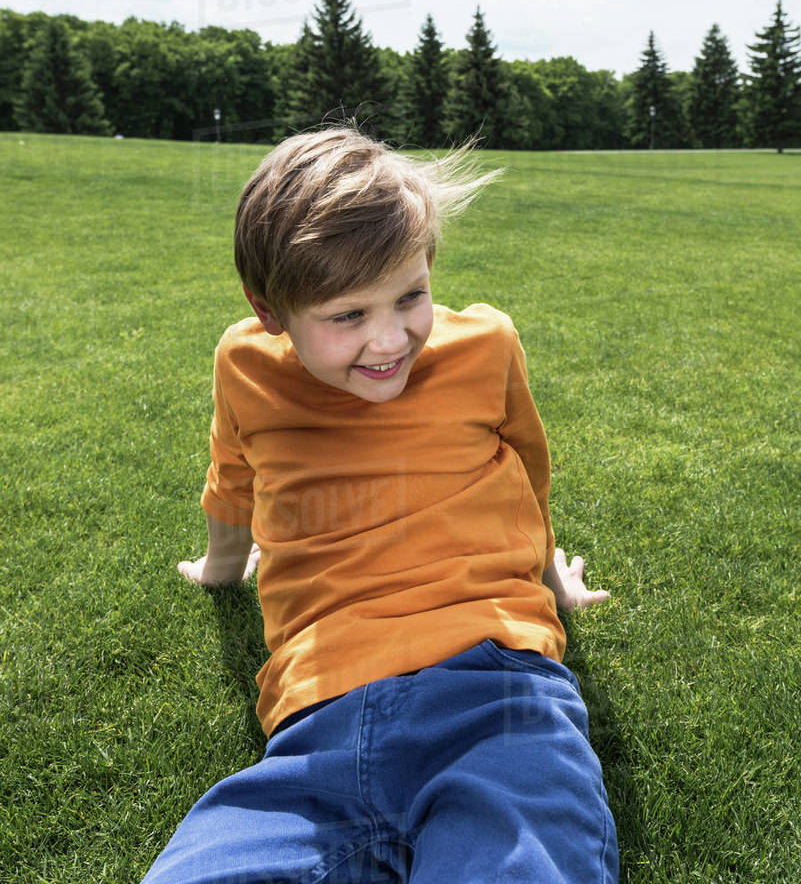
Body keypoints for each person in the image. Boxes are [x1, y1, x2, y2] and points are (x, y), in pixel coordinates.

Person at [141, 121, 618, 884]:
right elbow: (231, 478)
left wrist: (547, 582)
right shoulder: (244, 363)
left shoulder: (485, 345)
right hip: (319, 719)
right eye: (347, 316)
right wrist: (219, 567)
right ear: (269, 312)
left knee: (516, 862)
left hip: (497, 690)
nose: (390, 339)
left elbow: (525, 472)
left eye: (410, 296)